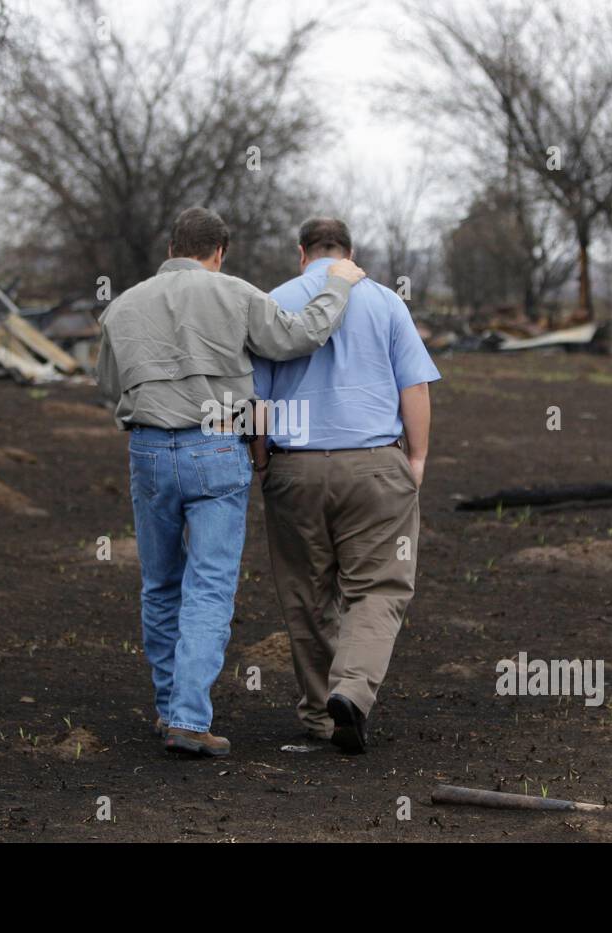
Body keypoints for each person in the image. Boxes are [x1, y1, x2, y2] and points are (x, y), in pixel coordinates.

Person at [95, 206, 366, 758]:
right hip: (216, 445)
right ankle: (190, 721)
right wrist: (336, 285)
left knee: (160, 584)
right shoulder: (235, 293)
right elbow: (299, 337)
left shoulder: (121, 307)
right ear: (219, 252)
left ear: (171, 247)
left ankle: (169, 708)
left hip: (147, 449)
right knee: (210, 587)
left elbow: (108, 382)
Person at [251, 217, 440, 753]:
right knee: (378, 586)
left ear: (300, 253)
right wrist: (418, 458)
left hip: (296, 467)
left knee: (306, 595)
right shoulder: (386, 301)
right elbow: (415, 386)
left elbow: (255, 400)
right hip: (376, 465)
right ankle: (352, 692)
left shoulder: (272, 302)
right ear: (350, 254)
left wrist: (262, 461)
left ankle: (318, 716)